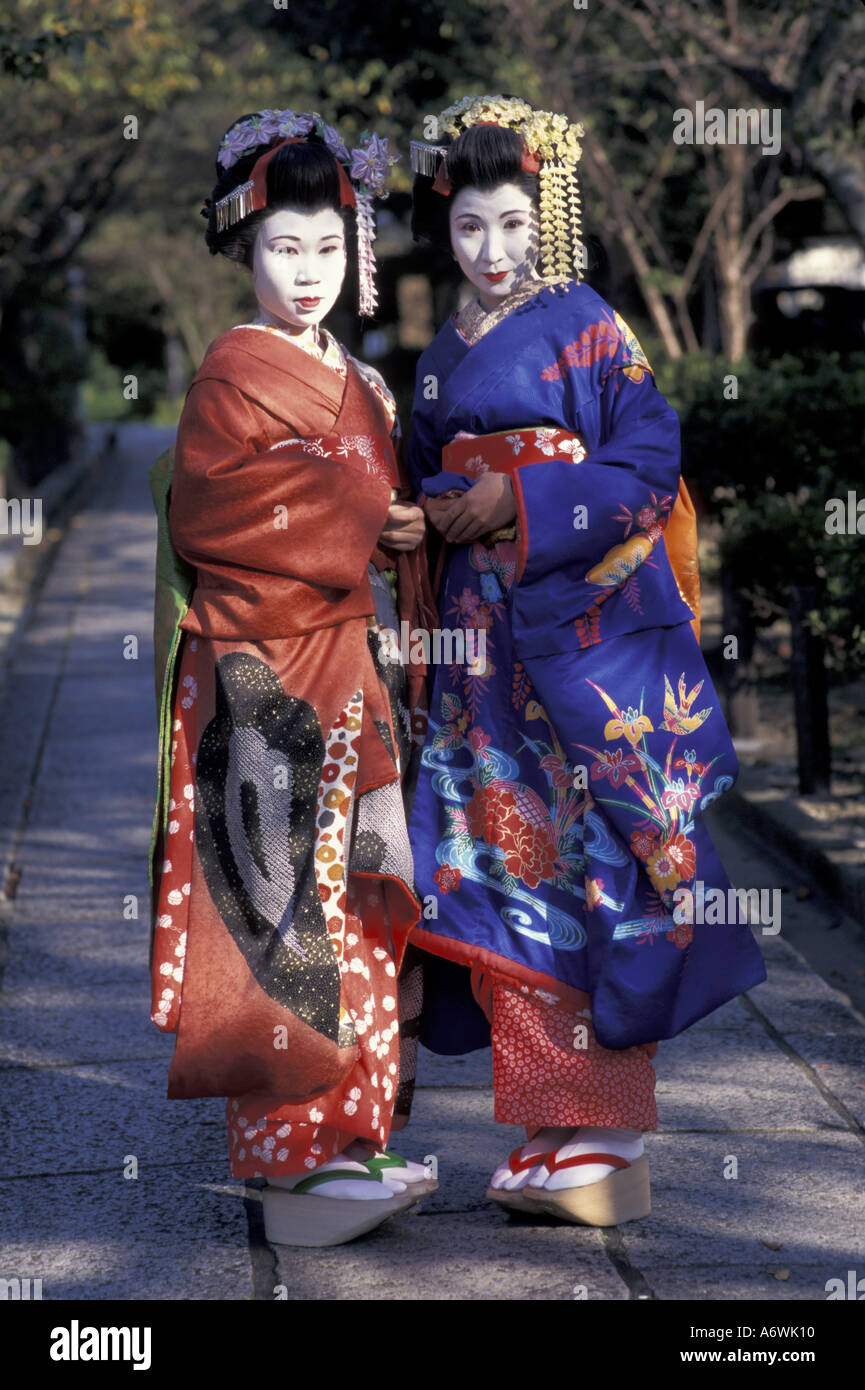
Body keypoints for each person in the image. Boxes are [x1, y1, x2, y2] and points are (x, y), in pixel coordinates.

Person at [405, 95, 767, 1226]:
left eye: (512, 225)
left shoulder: (590, 326)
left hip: (578, 641)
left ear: (546, 218)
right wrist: (421, 517)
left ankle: (604, 1129)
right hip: (478, 653)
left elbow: (649, 465)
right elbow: (417, 471)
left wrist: (517, 496)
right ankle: (550, 1124)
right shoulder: (436, 356)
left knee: (598, 859)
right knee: (500, 866)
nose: (491, 252)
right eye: (468, 227)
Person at [147, 109, 440, 1247]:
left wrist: (402, 524)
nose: (306, 274)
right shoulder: (231, 372)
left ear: (353, 248)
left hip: (348, 670)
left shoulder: (360, 381)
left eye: (326, 248)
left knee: (356, 905)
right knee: (276, 909)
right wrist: (370, 508)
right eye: (283, 250)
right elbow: (215, 512)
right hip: (261, 679)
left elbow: (363, 511)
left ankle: (353, 1133)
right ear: (244, 251)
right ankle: (288, 1158)